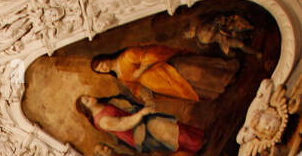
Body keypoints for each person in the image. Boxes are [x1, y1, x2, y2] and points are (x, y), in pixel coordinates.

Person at [90, 46, 237, 103]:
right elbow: (135, 87)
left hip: (166, 70)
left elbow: (150, 55)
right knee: (192, 87)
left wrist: (140, 71)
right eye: (100, 70)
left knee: (196, 74)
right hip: (163, 86)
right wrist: (143, 94)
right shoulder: (120, 77)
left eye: (101, 64)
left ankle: (227, 76)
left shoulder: (127, 56)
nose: (103, 68)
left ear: (105, 58)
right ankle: (220, 90)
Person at [76, 93, 204, 156]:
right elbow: (124, 124)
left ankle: (200, 137)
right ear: (87, 109)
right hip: (137, 133)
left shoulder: (103, 103)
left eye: (87, 96)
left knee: (167, 124)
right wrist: (142, 113)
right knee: (165, 130)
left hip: (139, 121)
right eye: (87, 100)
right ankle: (198, 145)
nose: (90, 97)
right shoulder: (102, 121)